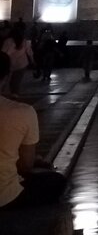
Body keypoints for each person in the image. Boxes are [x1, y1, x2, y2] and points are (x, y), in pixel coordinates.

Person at [0, 54, 67, 209]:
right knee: (56, 181)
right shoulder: (22, 112)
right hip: (5, 197)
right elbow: (25, 166)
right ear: (6, 77)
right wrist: (35, 160)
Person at [1, 27, 34, 95]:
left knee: (6, 82)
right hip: (22, 64)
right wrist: (33, 61)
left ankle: (7, 96)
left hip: (9, 64)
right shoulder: (25, 41)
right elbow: (30, 53)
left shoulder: (8, 41)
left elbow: (3, 54)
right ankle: (15, 95)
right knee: (17, 82)